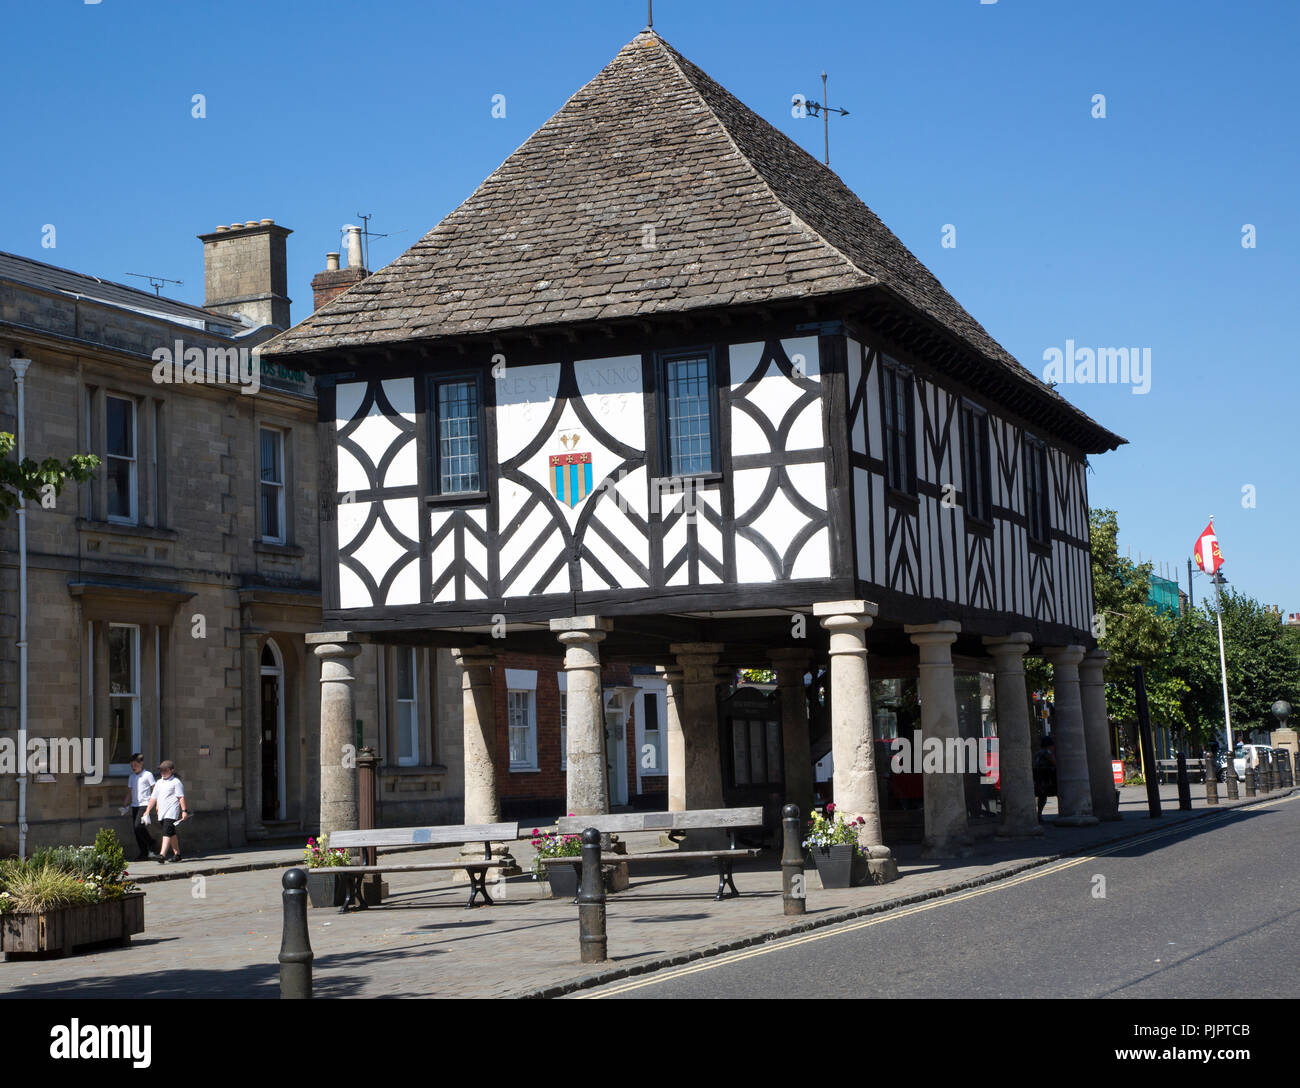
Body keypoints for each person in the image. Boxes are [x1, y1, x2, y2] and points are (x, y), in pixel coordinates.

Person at [143, 760, 188, 863]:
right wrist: (147, 811)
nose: (162, 772)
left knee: (166, 831)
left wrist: (184, 811)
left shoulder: (176, 782)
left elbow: (181, 797)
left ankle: (162, 855)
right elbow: (153, 798)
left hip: (172, 812)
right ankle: (178, 855)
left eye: (165, 770)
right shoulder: (159, 782)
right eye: (161, 770)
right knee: (171, 833)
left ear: (171, 770)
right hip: (162, 812)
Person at [122, 754, 158, 861]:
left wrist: (156, 804)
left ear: (141, 763)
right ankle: (143, 853)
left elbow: (154, 789)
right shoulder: (132, 776)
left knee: (138, 826)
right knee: (136, 830)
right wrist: (125, 803)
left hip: (145, 804)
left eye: (135, 764)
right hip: (135, 805)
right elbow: (129, 791)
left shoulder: (148, 775)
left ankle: (151, 842)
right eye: (131, 765)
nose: (133, 767)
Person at [1033, 735, 1057, 821]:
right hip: (1047, 778)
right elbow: (1055, 763)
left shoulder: (1038, 753)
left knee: (1042, 797)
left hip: (1039, 778)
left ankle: (1039, 814)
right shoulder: (1047, 753)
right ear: (1050, 745)